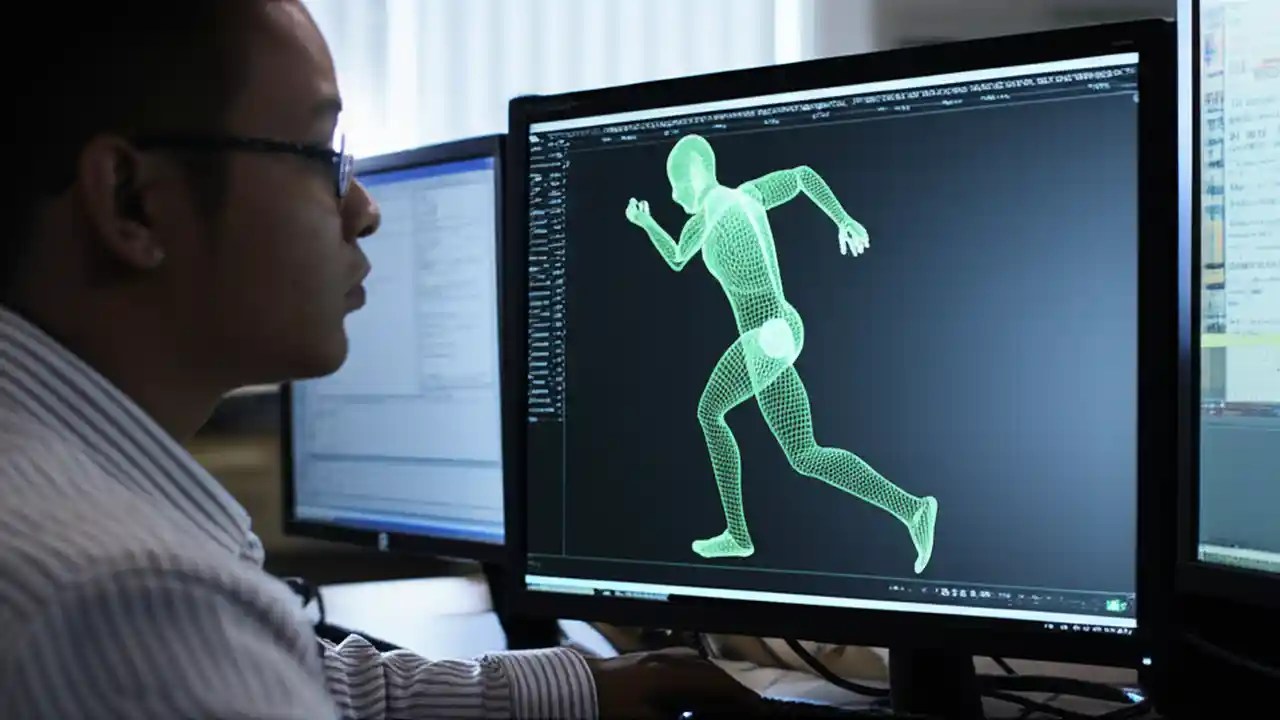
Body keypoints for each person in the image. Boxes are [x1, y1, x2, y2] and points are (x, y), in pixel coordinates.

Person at [0, 2, 760, 718]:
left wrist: (578, 687)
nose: (365, 208)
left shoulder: (63, 511)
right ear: (134, 202)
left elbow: (310, 677)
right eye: (317, 155)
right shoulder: (122, 603)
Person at [624, 134, 937, 574]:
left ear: (695, 173)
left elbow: (803, 177)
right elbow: (677, 258)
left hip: (771, 331)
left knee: (710, 412)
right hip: (771, 337)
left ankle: (738, 534)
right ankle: (913, 510)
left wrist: (843, 220)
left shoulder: (742, 199)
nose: (673, 196)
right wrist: (647, 224)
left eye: (676, 183)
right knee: (805, 455)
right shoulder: (703, 223)